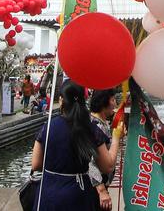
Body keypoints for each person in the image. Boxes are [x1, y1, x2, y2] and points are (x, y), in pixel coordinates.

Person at [30, 82, 118, 210]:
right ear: (83, 100)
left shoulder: (47, 127)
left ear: (61, 101)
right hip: (79, 195)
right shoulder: (91, 129)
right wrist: (116, 139)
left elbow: (36, 164)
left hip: (49, 194)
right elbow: (107, 166)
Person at [87, 89, 122, 211]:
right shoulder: (95, 125)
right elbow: (89, 162)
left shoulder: (102, 123)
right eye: (112, 100)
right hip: (94, 189)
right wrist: (101, 189)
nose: (115, 104)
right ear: (103, 103)